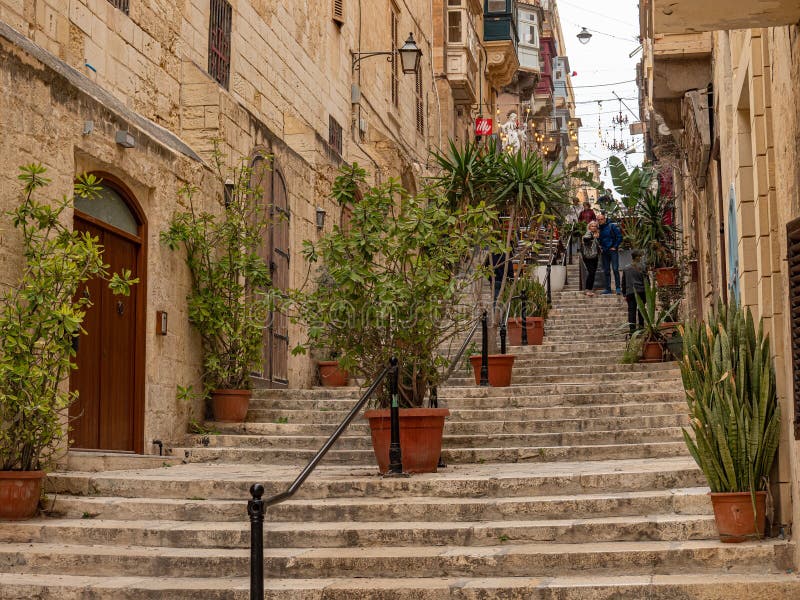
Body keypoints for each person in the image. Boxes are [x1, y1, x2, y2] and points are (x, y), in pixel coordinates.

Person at [597, 212, 623, 295]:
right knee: (606, 271)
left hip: (612, 251)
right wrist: (600, 246)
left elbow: (619, 237)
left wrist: (615, 246)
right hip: (604, 252)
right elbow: (598, 240)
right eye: (599, 220)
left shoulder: (612, 226)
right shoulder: (598, 229)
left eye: (602, 219)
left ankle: (618, 288)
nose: (600, 221)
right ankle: (608, 289)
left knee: (615, 269)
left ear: (605, 219)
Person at [622, 250, 646, 333]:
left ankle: (632, 331)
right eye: (640, 256)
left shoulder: (626, 268)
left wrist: (624, 293)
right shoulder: (642, 267)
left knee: (631, 311)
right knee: (641, 310)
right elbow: (646, 281)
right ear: (637, 257)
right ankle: (641, 328)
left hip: (630, 292)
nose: (641, 258)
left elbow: (623, 282)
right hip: (641, 291)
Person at [580, 221, 601, 296]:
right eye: (592, 226)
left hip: (594, 256)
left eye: (595, 226)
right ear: (589, 227)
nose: (594, 227)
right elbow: (586, 239)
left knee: (593, 273)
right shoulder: (588, 233)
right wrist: (593, 237)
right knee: (591, 272)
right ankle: (587, 289)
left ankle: (589, 289)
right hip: (588, 256)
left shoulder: (596, 234)